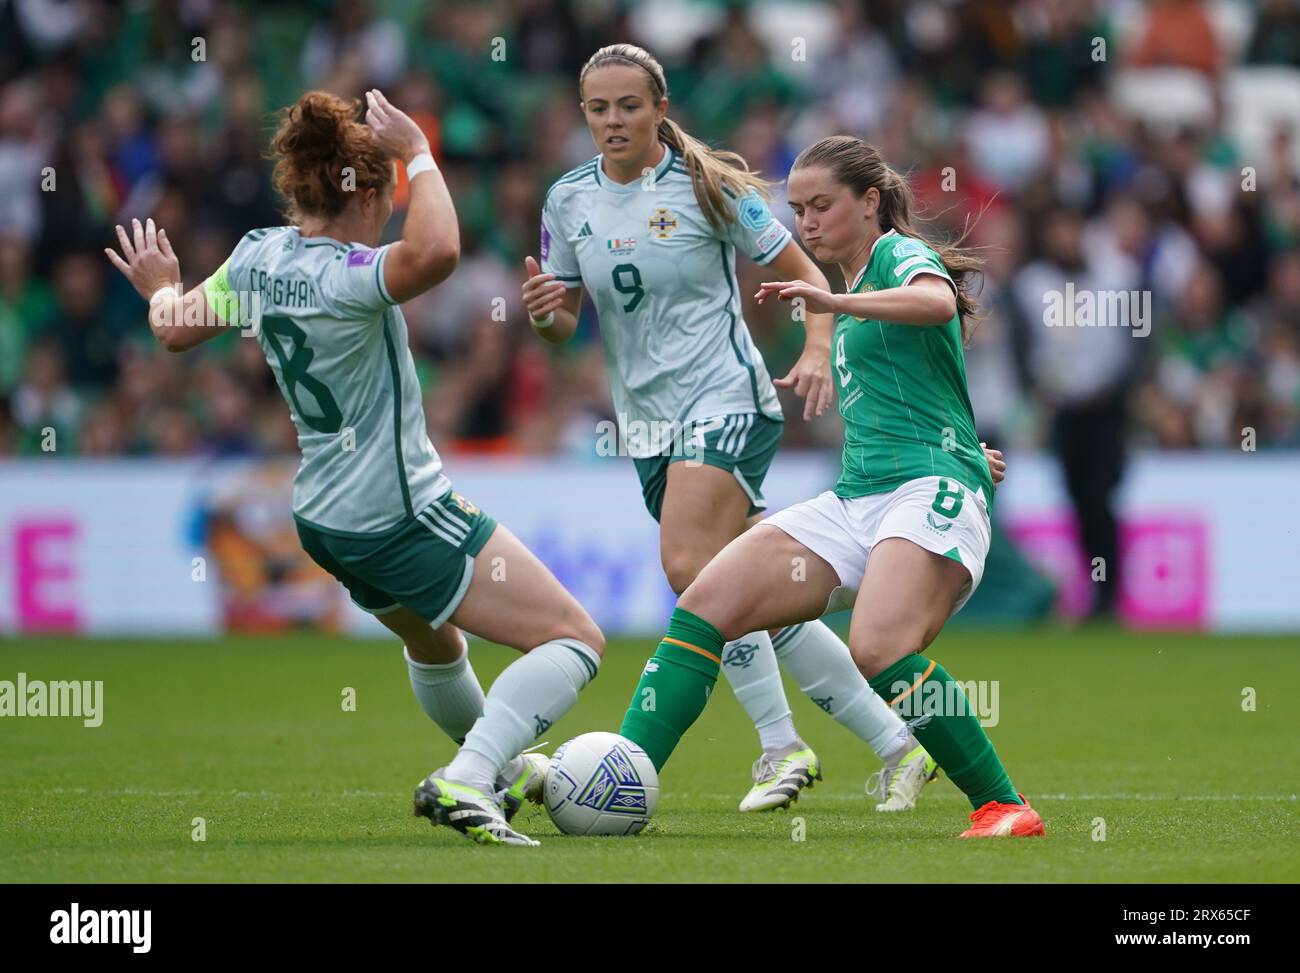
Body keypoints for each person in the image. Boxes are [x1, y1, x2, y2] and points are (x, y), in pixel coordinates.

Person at [104, 89, 603, 847]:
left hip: (326, 520)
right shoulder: (348, 273)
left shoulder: (257, 258)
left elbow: (173, 330)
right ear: (364, 194)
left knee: (435, 644)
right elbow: (436, 252)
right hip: (398, 510)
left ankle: (498, 772)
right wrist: (420, 154)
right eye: (387, 198)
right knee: (575, 638)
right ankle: (470, 776)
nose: (392, 211)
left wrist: (161, 287)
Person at [523, 44, 980, 813]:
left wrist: (814, 344)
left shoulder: (710, 188)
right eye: (598, 108)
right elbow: (564, 320)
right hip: (647, 422)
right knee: (753, 591)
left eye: (628, 105)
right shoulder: (567, 200)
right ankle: (894, 739)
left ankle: (779, 745)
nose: (613, 121)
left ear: (659, 109)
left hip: (727, 400)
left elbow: (805, 272)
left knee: (689, 566)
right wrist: (546, 315)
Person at [618, 135, 1046, 838]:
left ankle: (1004, 805)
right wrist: (964, 443)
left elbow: (937, 302)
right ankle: (627, 778)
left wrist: (832, 305)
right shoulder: (850, 287)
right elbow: (920, 392)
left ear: (871, 202)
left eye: (822, 206)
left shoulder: (894, 257)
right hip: (860, 497)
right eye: (797, 209)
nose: (806, 223)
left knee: (877, 646)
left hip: (926, 491)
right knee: (705, 602)